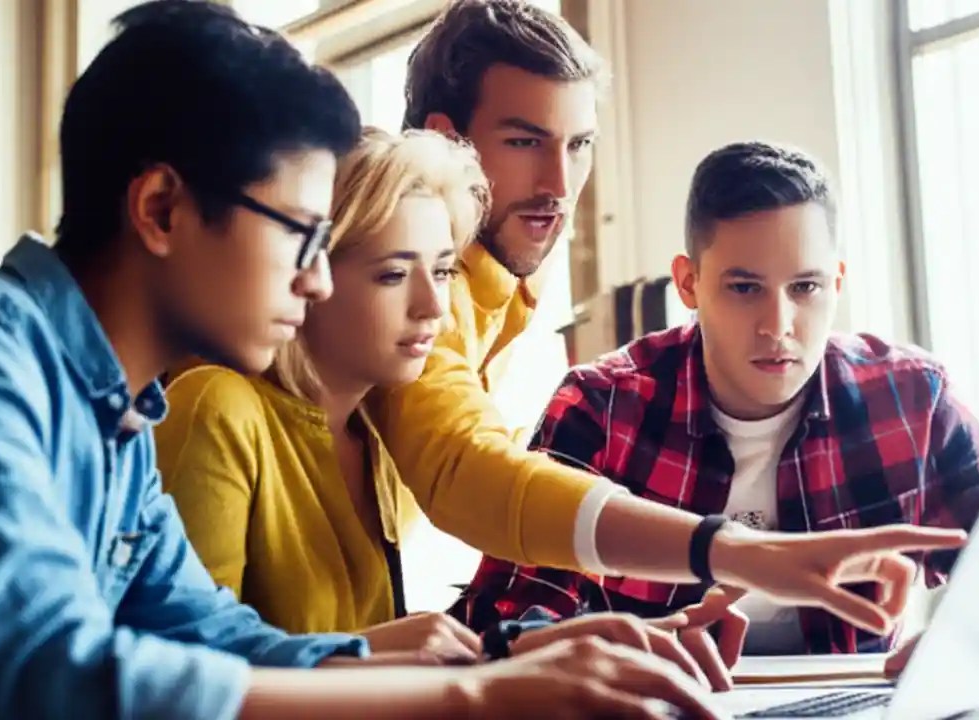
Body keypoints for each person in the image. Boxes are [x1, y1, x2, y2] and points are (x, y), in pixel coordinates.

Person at [0, 3, 735, 718]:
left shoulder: (121, 423)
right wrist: (468, 696)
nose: (318, 280)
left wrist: (505, 657)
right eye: (301, 233)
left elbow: (215, 642)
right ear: (161, 208)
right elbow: (41, 666)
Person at [363, 0, 968, 668]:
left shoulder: (909, 393)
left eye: (580, 144)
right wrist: (728, 552)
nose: (560, 185)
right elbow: (468, 472)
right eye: (525, 141)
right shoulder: (568, 380)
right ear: (689, 284)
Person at [455, 140, 979, 683]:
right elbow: (508, 614)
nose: (779, 325)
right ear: (688, 283)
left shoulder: (914, 402)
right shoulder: (602, 408)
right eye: (744, 288)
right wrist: (600, 651)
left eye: (806, 287)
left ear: (837, 283)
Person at [154, 126, 742, 688]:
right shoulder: (216, 406)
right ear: (307, 274)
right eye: (392, 275)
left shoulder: (369, 438)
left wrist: (556, 644)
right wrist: (389, 652)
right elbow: (177, 677)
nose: (433, 306)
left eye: (441, 270)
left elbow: (373, 664)